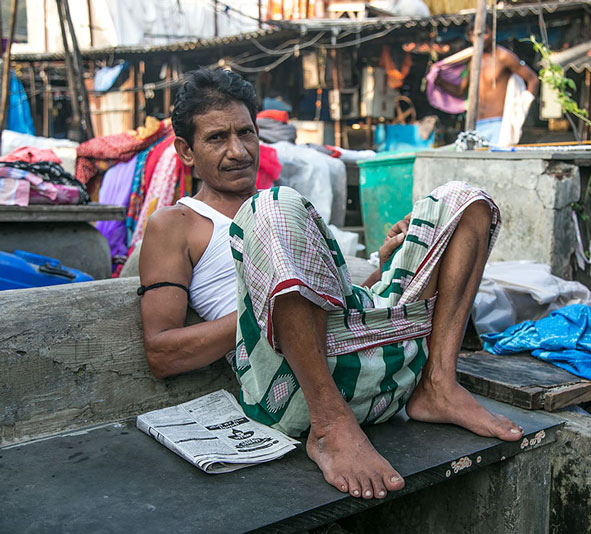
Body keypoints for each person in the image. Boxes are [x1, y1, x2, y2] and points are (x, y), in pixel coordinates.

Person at [139, 68, 522, 501]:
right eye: (216, 138)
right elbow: (161, 353)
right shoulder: (177, 224)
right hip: (294, 390)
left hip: (385, 369)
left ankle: (438, 383)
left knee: (464, 202)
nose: (238, 150)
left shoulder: (280, 211)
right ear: (186, 151)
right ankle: (329, 428)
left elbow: (331, 302)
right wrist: (270, 304)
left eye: (246, 133)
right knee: (272, 205)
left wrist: (381, 270)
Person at [435, 13, 539, 144]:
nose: (479, 38)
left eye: (483, 33)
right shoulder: (473, 59)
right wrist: (439, 82)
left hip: (499, 124)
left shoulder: (503, 57)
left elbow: (533, 79)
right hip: (476, 124)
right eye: (474, 35)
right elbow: (460, 90)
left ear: (492, 32)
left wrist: (522, 108)